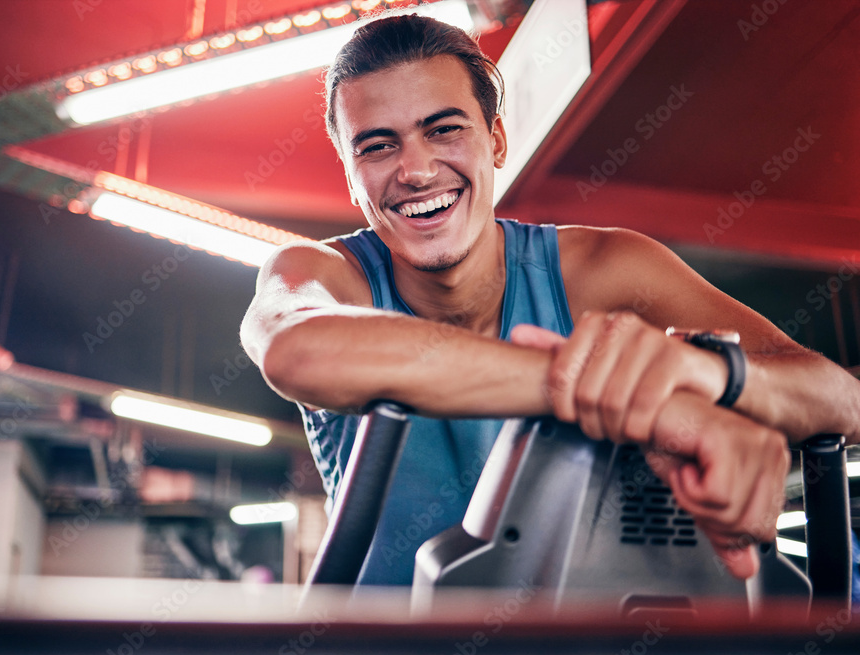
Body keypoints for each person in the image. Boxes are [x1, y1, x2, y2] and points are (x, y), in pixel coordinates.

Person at [240, 13, 860, 587]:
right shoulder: (322, 273)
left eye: (444, 130)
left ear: (497, 140)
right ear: (351, 176)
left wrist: (709, 376)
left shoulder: (603, 269)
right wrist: (645, 402)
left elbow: (838, 397)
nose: (418, 169)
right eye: (377, 146)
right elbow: (299, 352)